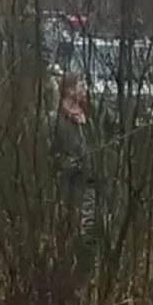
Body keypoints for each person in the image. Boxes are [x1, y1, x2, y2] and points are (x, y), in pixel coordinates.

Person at [50, 73, 100, 229]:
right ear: (70, 90)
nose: (84, 88)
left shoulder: (90, 114)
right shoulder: (57, 120)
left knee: (90, 226)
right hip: (69, 184)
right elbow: (51, 152)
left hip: (91, 180)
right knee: (68, 222)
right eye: (80, 84)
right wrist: (67, 163)